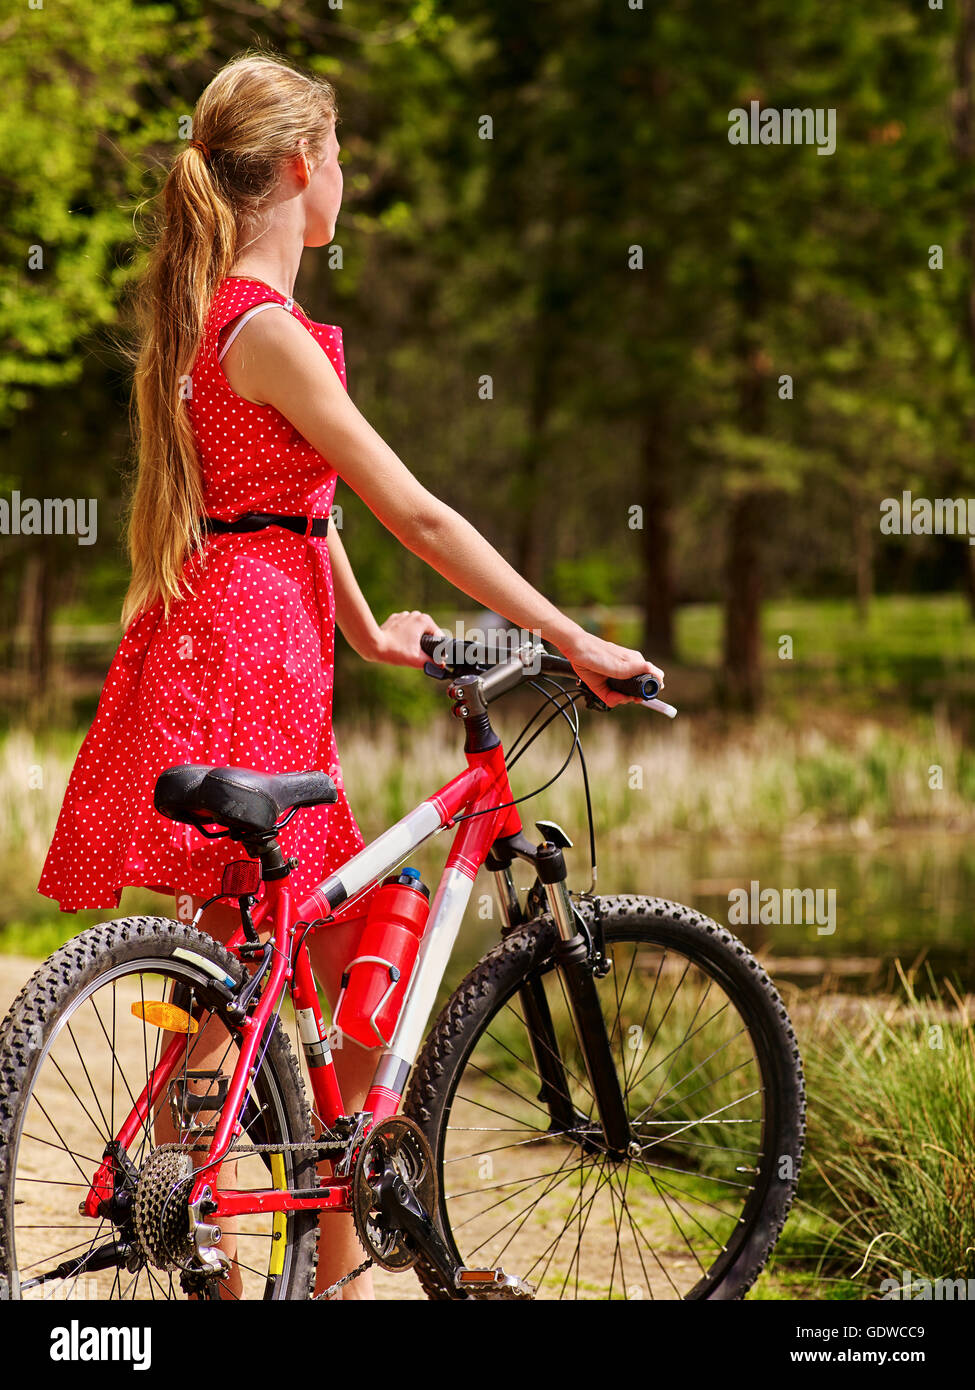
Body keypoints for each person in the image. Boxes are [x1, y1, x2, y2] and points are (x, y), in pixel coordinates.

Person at [36, 49, 664, 1300]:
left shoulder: (212, 321)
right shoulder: (267, 331)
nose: (349, 182)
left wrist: (375, 635)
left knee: (271, 974)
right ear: (300, 168)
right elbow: (415, 513)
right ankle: (276, 1258)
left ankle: (305, 1259)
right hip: (254, 656)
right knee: (286, 972)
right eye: (340, 156)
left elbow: (278, 514)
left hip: (224, 625)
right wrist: (576, 637)